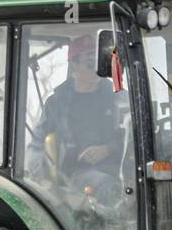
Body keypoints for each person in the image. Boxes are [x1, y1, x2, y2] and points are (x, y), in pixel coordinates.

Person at [35, 34, 122, 178]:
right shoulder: (56, 104)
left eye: (99, 62)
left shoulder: (117, 99)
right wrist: (44, 181)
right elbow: (36, 146)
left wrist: (108, 149)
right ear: (74, 66)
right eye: (90, 62)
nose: (97, 68)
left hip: (115, 173)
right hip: (71, 177)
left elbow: (133, 137)